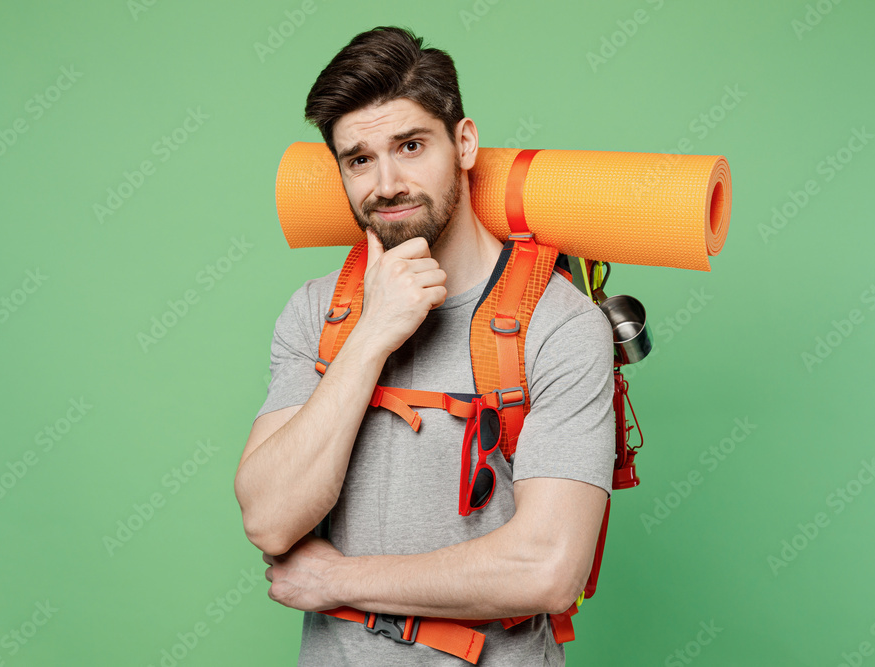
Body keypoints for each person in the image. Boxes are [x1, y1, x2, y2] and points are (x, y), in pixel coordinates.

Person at [234, 26, 616, 666]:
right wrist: (373, 334)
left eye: (410, 146)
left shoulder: (561, 323)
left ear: (464, 143)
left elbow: (549, 568)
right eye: (359, 159)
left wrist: (338, 580)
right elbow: (270, 519)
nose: (386, 184)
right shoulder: (317, 312)